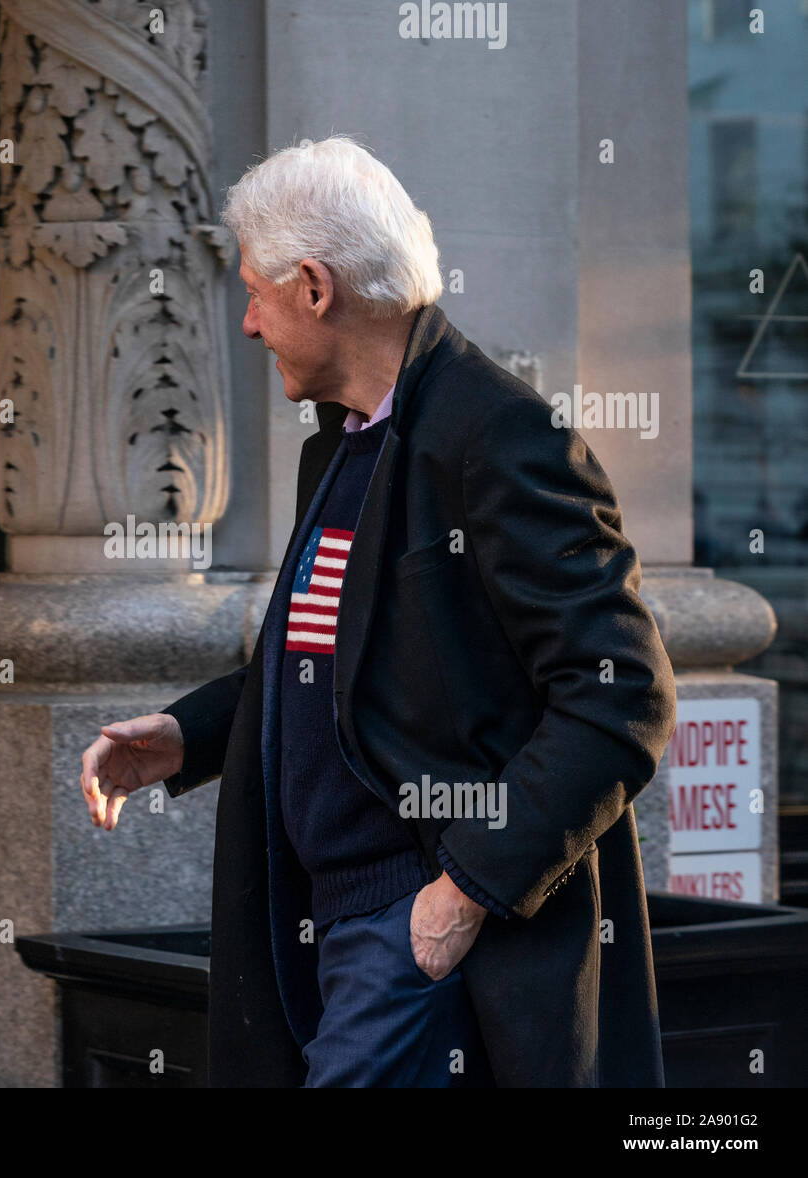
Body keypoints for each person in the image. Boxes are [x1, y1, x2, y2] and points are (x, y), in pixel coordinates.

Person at [80, 135, 677, 1088]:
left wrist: (463, 894)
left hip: (422, 931)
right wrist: (184, 736)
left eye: (256, 291)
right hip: (329, 927)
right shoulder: (346, 445)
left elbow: (623, 697)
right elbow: (345, 664)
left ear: (315, 288)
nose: (247, 322)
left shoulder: (500, 433)